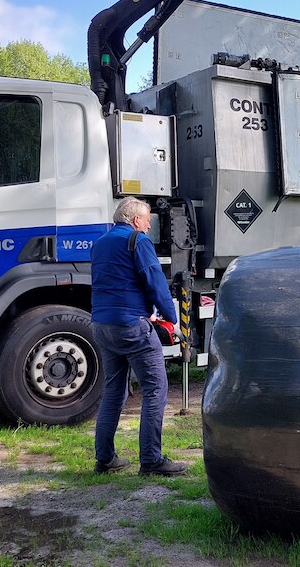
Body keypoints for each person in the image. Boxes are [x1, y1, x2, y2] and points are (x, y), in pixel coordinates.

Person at [91, 197, 187, 476]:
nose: (148, 225)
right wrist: (172, 318)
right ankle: (151, 460)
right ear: (135, 220)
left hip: (102, 325)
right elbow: (154, 281)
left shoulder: (101, 243)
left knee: (113, 391)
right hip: (132, 327)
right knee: (156, 389)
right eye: (147, 220)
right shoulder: (137, 240)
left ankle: (105, 459)